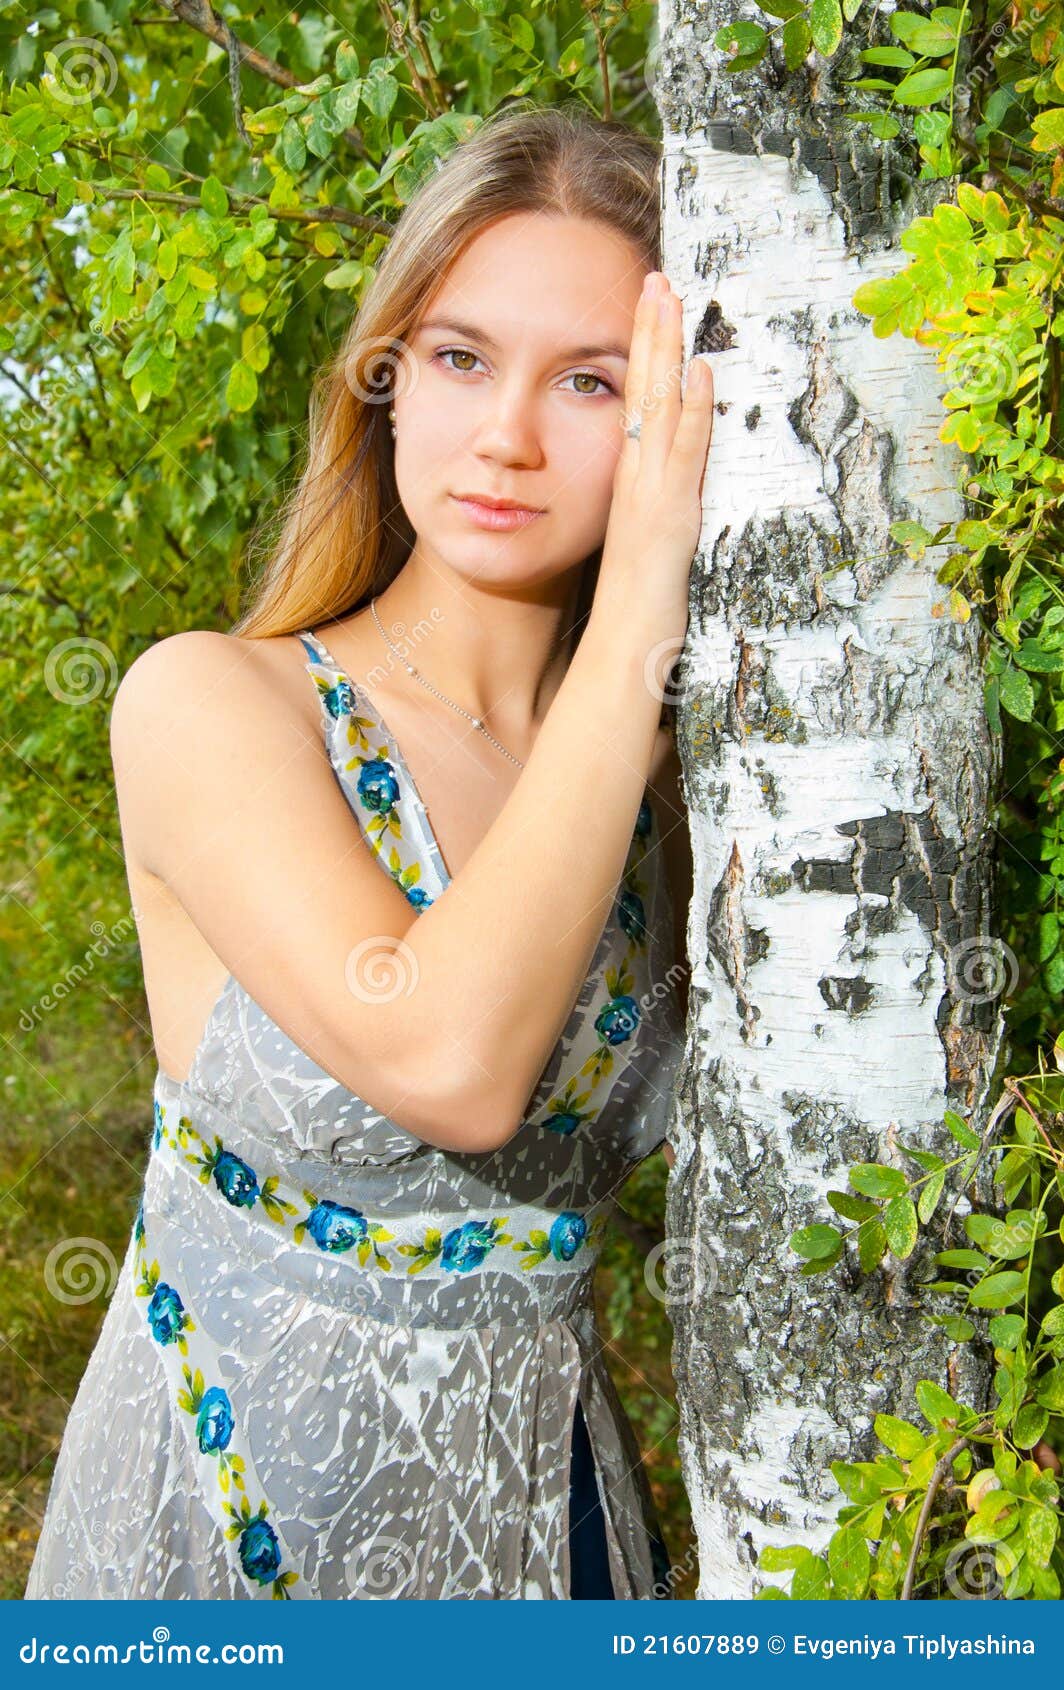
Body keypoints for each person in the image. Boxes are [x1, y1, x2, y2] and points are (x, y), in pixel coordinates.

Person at [24, 100, 714, 1601]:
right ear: (385, 378)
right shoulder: (213, 700)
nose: (509, 437)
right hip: (235, 1542)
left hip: (558, 1546)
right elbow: (453, 1059)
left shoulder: (680, 791)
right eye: (460, 357)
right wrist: (647, 594)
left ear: (672, 417)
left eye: (591, 381)